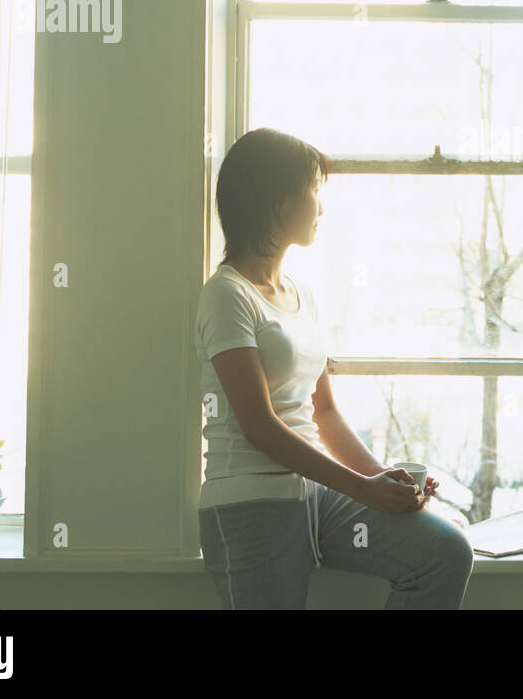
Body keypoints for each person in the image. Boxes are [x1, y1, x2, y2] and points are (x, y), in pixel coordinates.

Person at [195, 127, 474, 608]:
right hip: (250, 506)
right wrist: (363, 489)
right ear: (278, 203)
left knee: (444, 553)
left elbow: (324, 412)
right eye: (314, 193)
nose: (321, 208)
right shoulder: (226, 295)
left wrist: (387, 484)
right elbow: (259, 426)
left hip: (316, 499)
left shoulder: (302, 296)